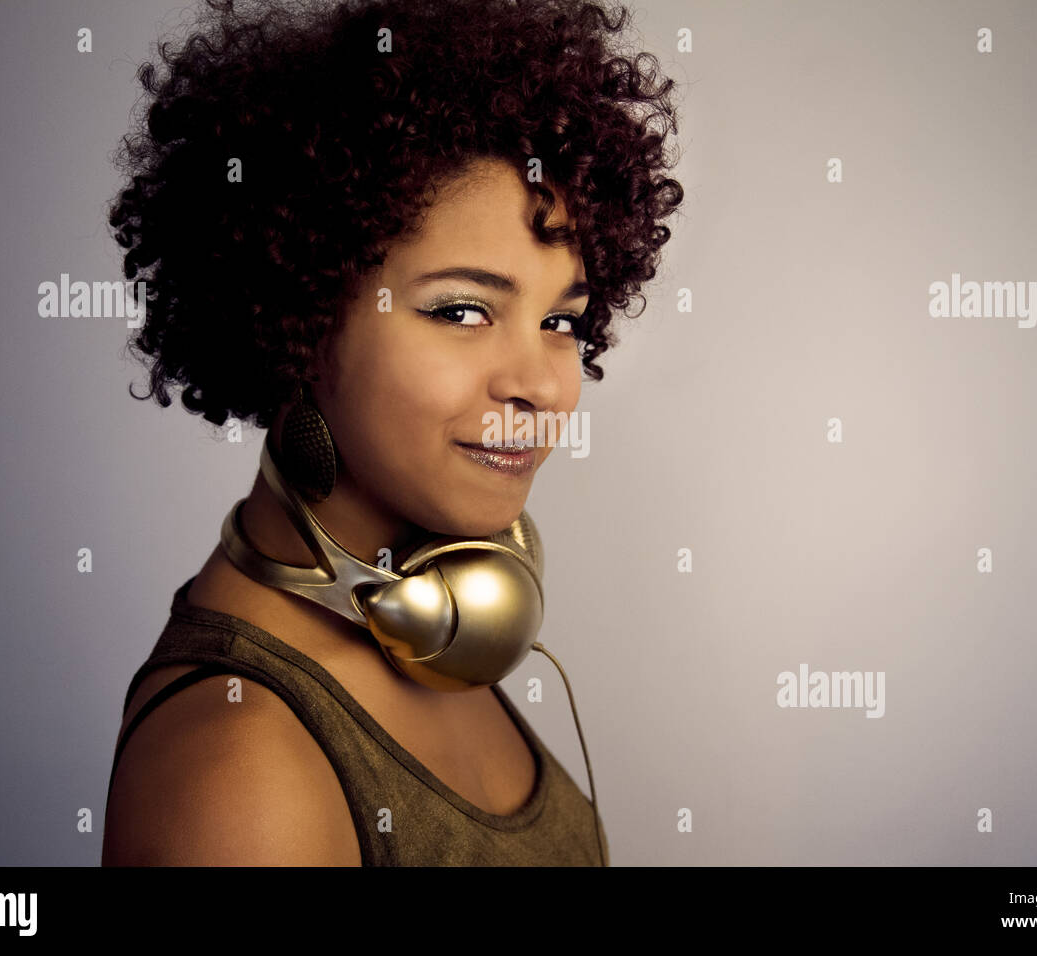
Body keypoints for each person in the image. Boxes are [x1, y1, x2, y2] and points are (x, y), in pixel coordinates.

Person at [100, 0, 683, 866]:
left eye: (561, 321)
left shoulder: (436, 616)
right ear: (297, 318)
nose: (535, 386)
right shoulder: (240, 769)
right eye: (461, 310)